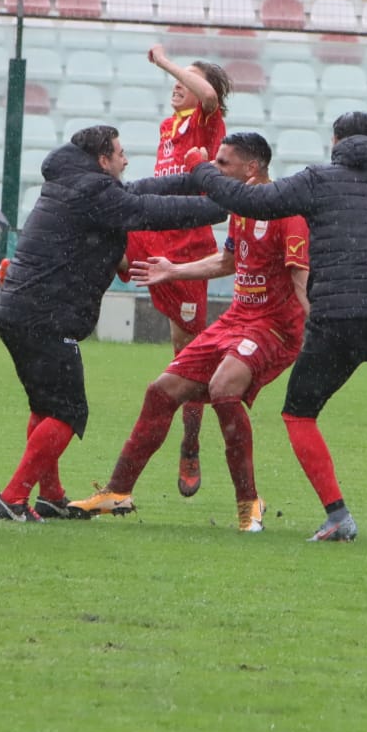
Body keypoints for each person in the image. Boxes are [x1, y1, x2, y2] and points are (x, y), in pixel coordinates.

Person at [187, 110, 367, 546]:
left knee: (299, 413)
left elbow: (250, 201)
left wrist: (200, 170)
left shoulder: (317, 181)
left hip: (337, 319)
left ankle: (338, 515)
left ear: (338, 142)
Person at [72, 132, 308, 532]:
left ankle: (249, 501)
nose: (214, 171)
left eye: (223, 163)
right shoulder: (240, 209)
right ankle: (118, 491)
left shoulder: (288, 214)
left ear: (252, 169)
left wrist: (317, 331)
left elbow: (302, 280)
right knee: (161, 391)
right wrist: (174, 270)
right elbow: (228, 261)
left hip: (275, 328)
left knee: (223, 389)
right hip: (236, 320)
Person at [0, 125, 226, 523]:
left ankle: (50, 495)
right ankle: (13, 496)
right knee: (67, 413)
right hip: (48, 316)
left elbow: (144, 190)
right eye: (120, 153)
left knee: (46, 405)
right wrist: (226, 205)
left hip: (21, 311)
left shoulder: (76, 185)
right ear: (102, 160)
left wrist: (201, 176)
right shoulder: (93, 192)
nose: (126, 159)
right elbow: (151, 211)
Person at [124, 45, 233, 500]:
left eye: (187, 79)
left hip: (188, 238)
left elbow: (207, 95)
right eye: (176, 77)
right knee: (108, 229)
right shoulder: (169, 126)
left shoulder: (209, 119)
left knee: (184, 349)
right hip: (157, 227)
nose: (177, 83)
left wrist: (166, 61)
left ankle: (190, 442)